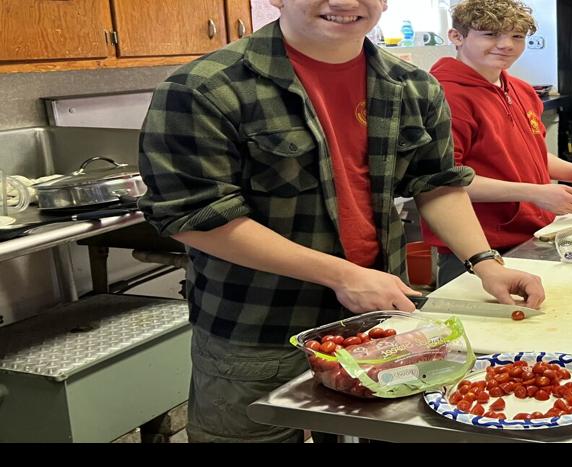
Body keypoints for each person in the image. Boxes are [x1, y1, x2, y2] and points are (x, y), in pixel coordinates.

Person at [139, 0, 547, 443]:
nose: (345, 2)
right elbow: (195, 215)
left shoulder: (411, 86)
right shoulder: (206, 86)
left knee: (387, 434)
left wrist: (486, 264)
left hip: (380, 320)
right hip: (258, 325)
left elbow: (438, 184)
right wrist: (344, 275)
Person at [426, 0, 572, 286]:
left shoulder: (520, 89)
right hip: (476, 249)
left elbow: (531, 152)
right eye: (490, 34)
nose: (506, 45)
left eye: (516, 36)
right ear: (457, 37)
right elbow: (444, 183)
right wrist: (536, 193)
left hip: (533, 235)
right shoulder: (444, 97)